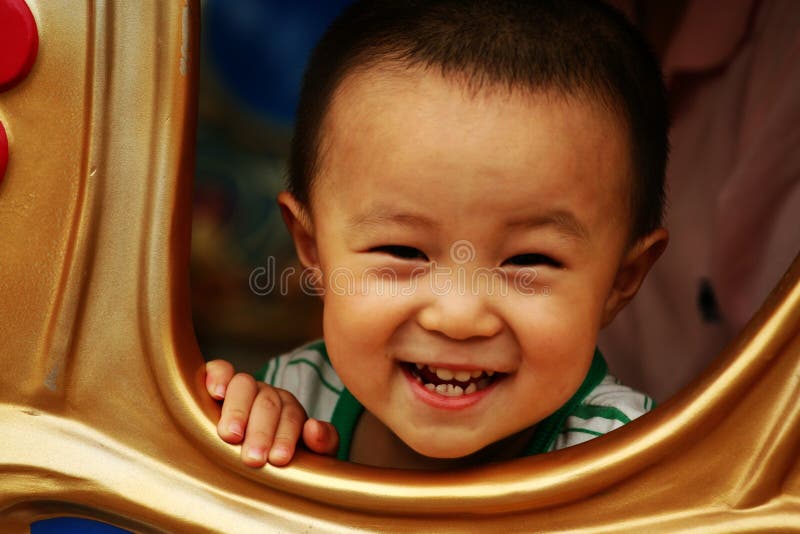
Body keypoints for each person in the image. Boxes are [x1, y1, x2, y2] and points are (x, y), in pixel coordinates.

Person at [204, 0, 670, 470]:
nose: (458, 317)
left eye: (529, 261)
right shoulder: (294, 401)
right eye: (402, 250)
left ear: (620, 280)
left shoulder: (628, 467)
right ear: (313, 250)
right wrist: (243, 452)